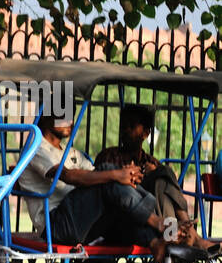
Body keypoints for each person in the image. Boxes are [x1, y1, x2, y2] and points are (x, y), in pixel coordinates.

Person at [17, 109, 179, 255]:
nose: (69, 120)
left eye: (70, 114)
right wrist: (117, 174)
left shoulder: (71, 152)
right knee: (109, 174)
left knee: (114, 190)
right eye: (62, 114)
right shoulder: (35, 147)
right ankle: (157, 222)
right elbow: (68, 176)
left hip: (81, 222)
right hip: (56, 225)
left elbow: (98, 175)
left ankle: (155, 242)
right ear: (46, 115)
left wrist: (128, 175)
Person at [93, 105, 214, 250]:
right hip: (121, 219)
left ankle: (181, 235)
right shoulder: (108, 156)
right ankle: (191, 236)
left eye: (131, 126)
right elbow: (106, 190)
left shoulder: (151, 162)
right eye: (123, 126)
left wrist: (153, 173)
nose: (125, 131)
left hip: (152, 221)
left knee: (163, 177)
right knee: (163, 173)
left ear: (145, 133)